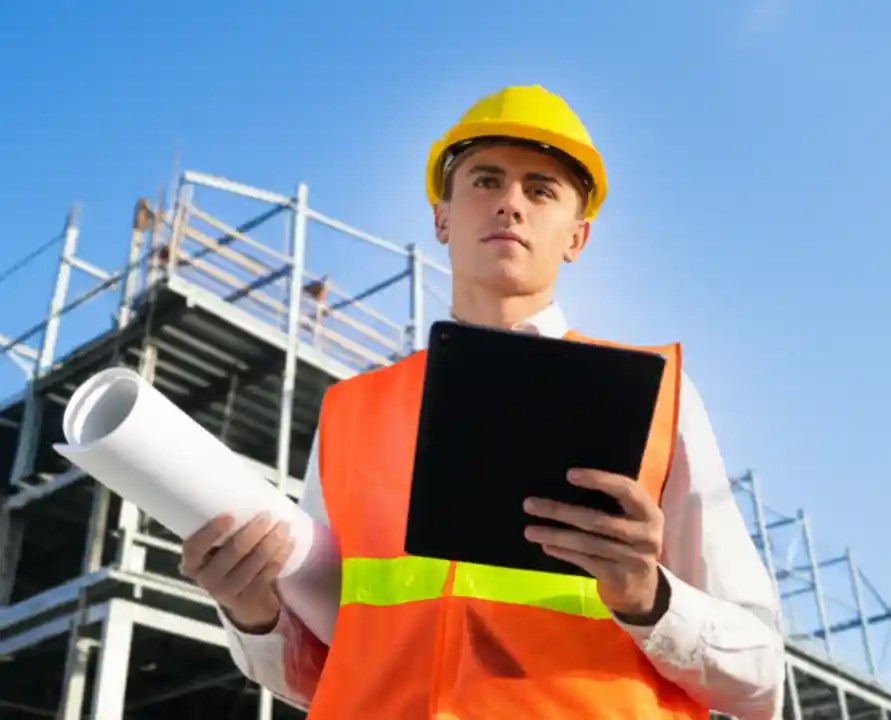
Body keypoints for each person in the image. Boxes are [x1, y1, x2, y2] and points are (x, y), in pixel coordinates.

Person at [180, 85, 786, 719]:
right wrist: (253, 616)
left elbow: (760, 676)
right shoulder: (349, 414)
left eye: (541, 190)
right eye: (485, 181)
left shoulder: (658, 394)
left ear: (577, 237)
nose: (510, 205)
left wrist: (649, 597)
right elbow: (322, 672)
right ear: (442, 218)